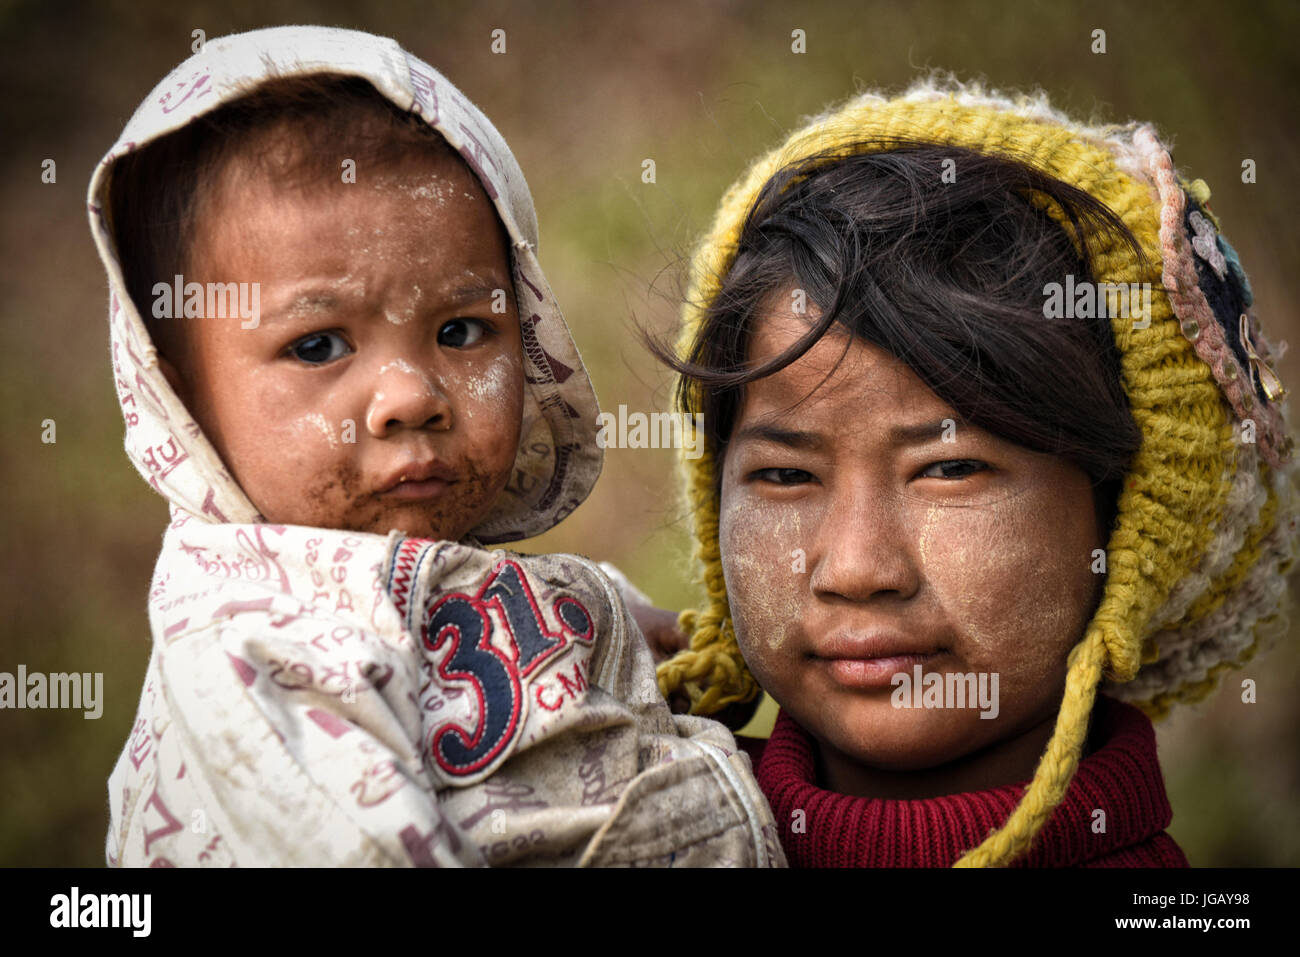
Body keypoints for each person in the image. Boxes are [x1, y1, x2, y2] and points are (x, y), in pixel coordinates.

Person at [92, 25, 782, 867]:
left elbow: (459, 614)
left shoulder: (391, 567)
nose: (412, 396)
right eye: (318, 346)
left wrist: (608, 616)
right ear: (181, 396)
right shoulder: (254, 649)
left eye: (462, 329)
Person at [654, 77, 1298, 866]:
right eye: (786, 476)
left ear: (1127, 521)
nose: (857, 568)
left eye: (950, 468)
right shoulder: (612, 828)